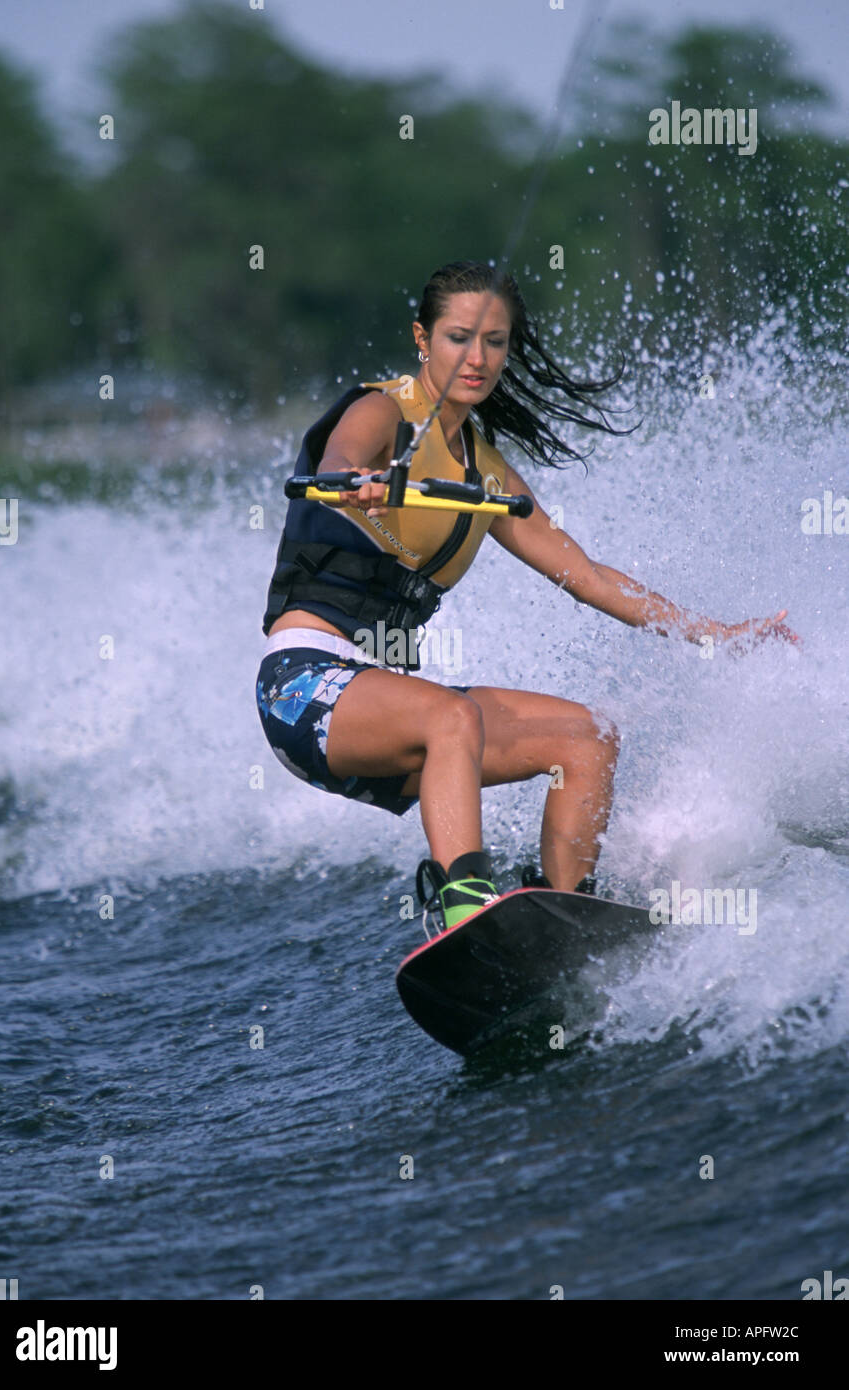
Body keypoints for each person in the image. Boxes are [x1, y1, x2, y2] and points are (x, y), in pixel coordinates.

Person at [257, 261, 798, 931]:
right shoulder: (380, 412)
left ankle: (563, 925)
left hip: (388, 705)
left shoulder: (485, 474)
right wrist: (354, 482)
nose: (477, 358)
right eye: (458, 337)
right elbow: (339, 459)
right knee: (449, 718)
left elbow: (590, 577)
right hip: (306, 689)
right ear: (422, 339)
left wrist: (716, 632)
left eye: (494, 341)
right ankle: (463, 905)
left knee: (586, 739)